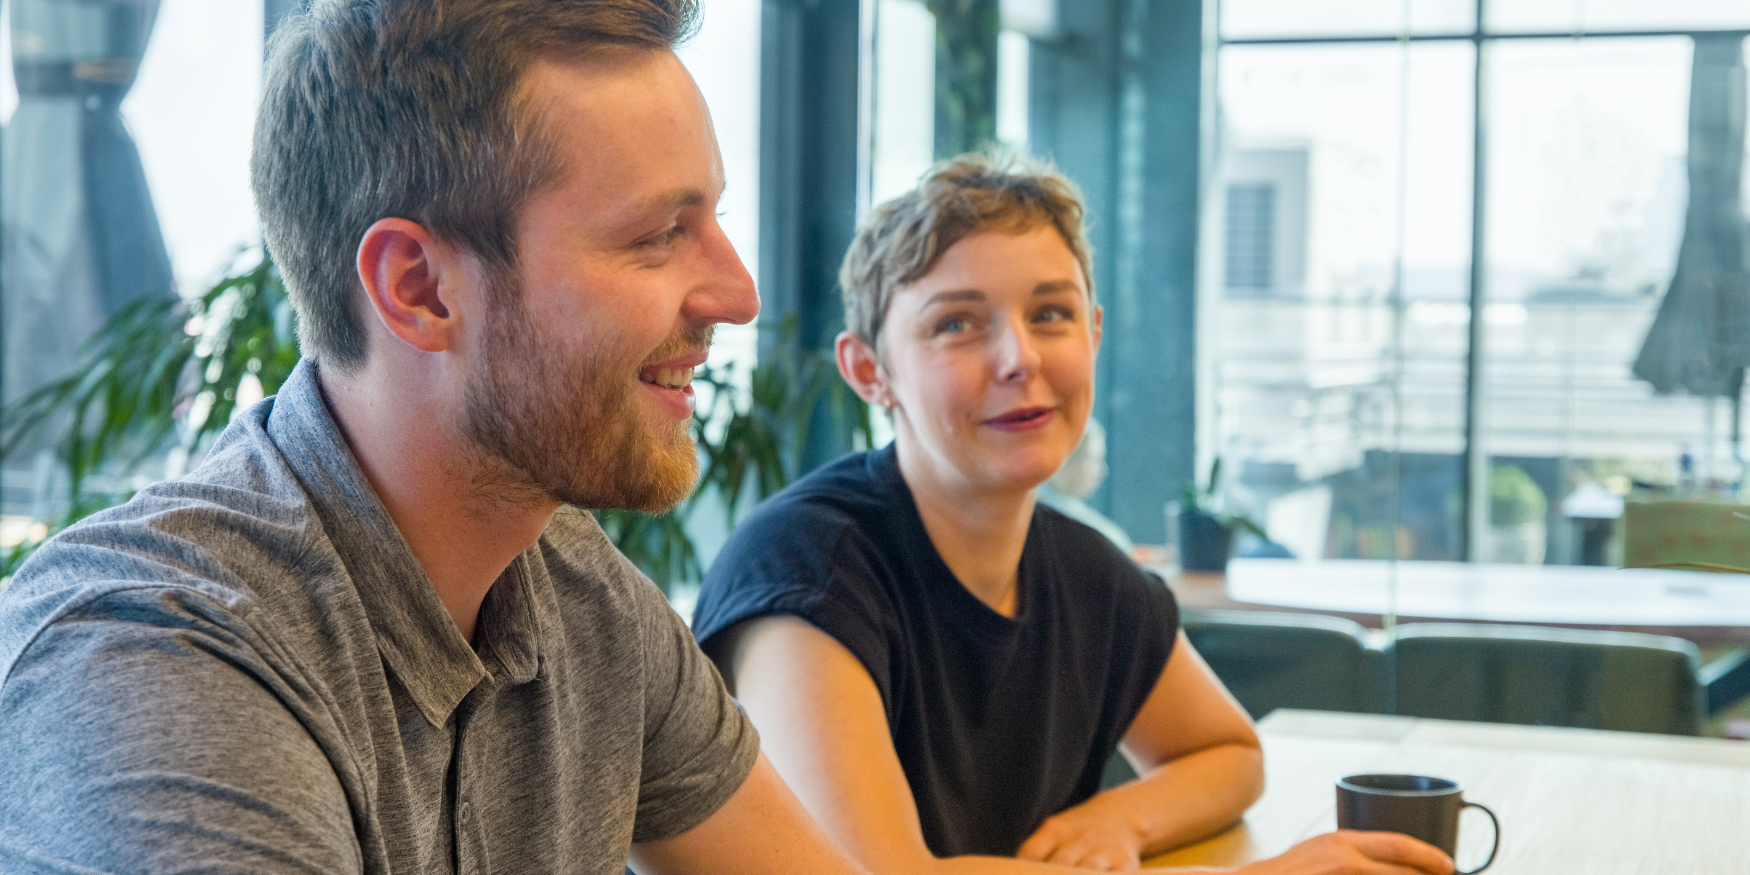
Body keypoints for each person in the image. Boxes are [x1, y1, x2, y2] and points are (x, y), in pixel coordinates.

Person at [0, 2, 872, 873]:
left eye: (714, 220)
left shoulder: (573, 589)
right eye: (657, 237)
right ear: (417, 288)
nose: (739, 293)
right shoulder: (158, 662)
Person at [691, 152, 1453, 875]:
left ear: (1092, 333)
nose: (1018, 358)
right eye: (956, 323)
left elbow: (1228, 753)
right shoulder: (803, 568)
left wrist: (1121, 821)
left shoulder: (1088, 572)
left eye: (1050, 313)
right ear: (869, 370)